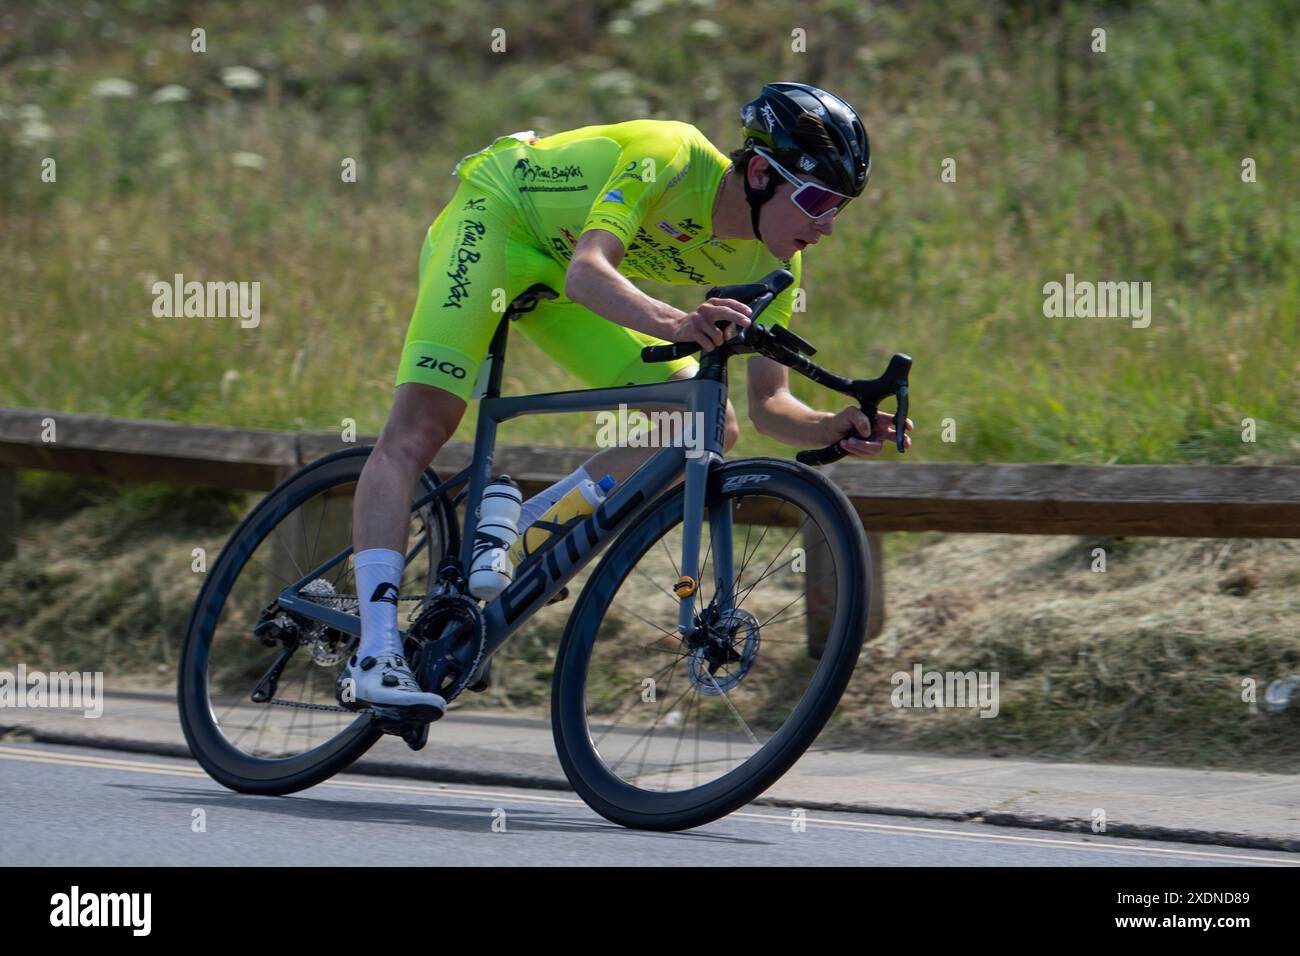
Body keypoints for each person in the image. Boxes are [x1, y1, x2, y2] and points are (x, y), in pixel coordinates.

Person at [341, 81, 911, 717]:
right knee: (420, 431)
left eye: (841, 208)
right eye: (817, 201)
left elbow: (769, 408)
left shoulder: (774, 261)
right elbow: (589, 270)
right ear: (758, 173)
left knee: (706, 426)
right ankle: (377, 648)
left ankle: (522, 532)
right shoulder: (667, 154)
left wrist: (833, 425)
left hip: (561, 278)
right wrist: (676, 324)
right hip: (497, 220)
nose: (827, 226)